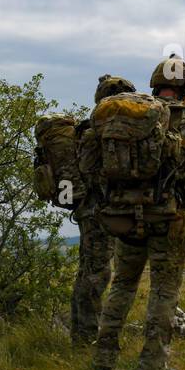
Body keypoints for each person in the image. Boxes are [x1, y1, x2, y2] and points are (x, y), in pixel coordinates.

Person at [92, 55, 185, 370]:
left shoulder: (130, 117)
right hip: (169, 219)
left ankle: (103, 358)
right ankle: (152, 369)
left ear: (155, 83)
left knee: (122, 284)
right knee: (163, 293)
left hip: (123, 217)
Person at [69, 74, 136, 345]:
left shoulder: (88, 130)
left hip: (92, 211)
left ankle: (84, 335)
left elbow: (84, 169)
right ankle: (87, 338)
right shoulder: (123, 133)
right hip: (113, 211)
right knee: (101, 274)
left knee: (91, 272)